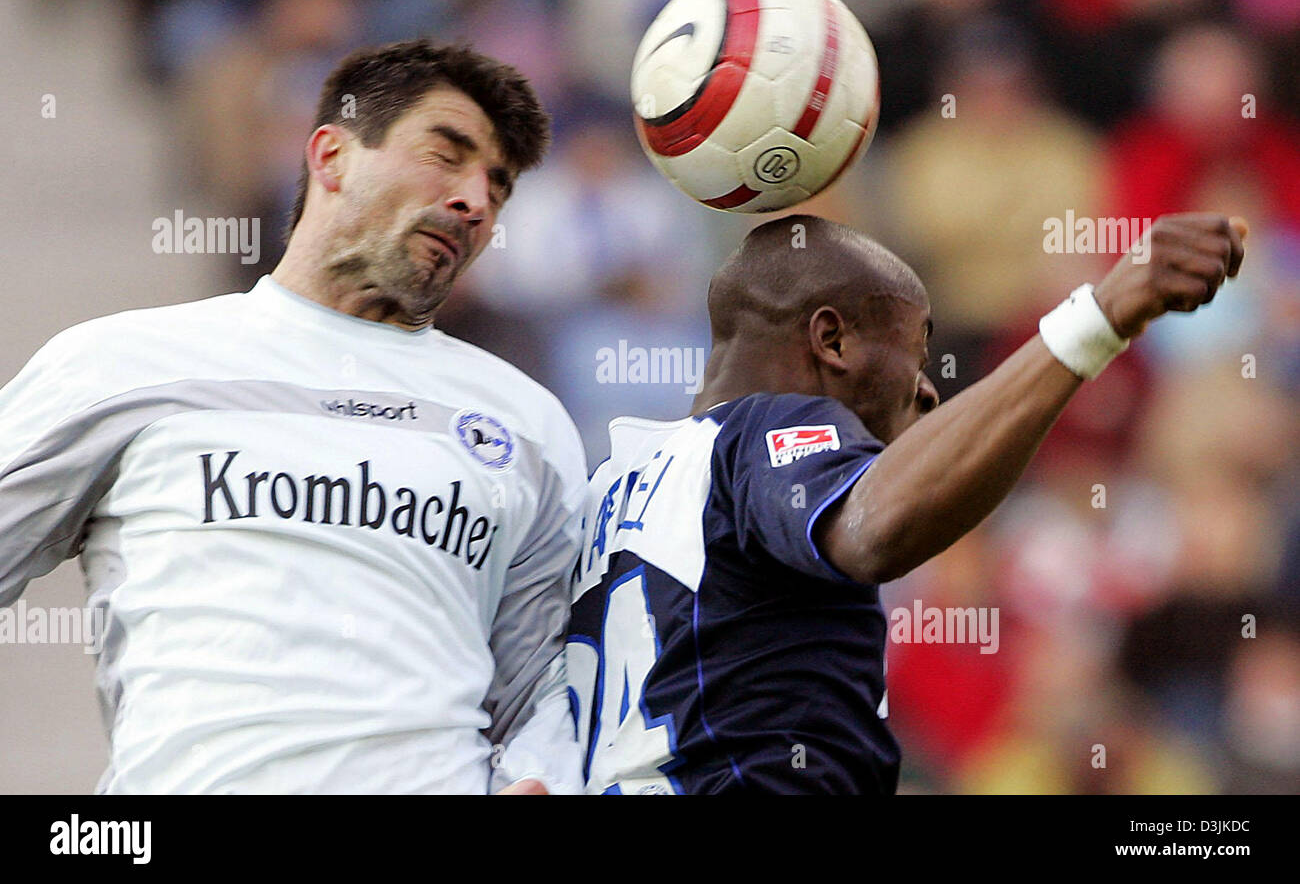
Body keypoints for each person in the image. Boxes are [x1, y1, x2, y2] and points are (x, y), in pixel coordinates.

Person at [0, 39, 586, 794]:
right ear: (331, 154)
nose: (475, 199)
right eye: (447, 154)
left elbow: (547, 684)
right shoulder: (123, 364)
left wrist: (543, 775)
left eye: (498, 188)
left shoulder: (526, 422)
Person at [568, 211, 1246, 794]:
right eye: (915, 353)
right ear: (832, 340)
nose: (927, 392)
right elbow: (872, 528)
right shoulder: (766, 429)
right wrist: (1098, 319)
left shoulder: (609, 487)